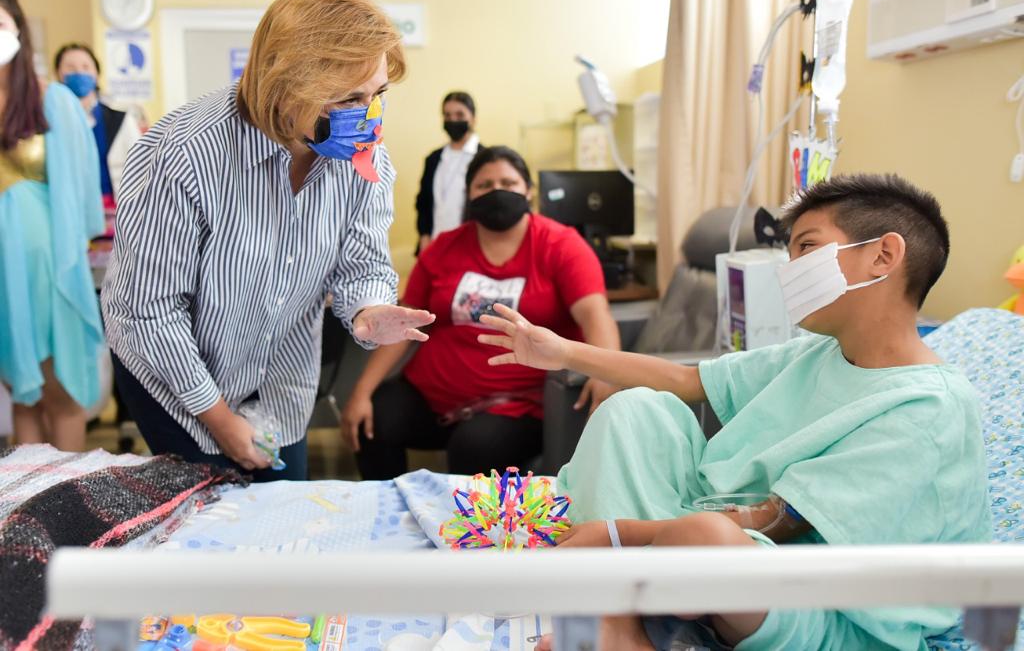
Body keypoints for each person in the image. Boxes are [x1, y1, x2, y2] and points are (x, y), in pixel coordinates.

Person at [479, 174, 991, 651]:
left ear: (883, 255)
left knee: (703, 538)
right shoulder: (815, 353)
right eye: (789, 255)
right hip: (722, 532)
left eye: (807, 248)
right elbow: (686, 380)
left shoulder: (928, 407)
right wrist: (563, 352)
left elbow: (777, 521)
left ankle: (619, 612)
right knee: (634, 411)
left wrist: (615, 532)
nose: (791, 272)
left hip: (827, 600)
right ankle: (625, 609)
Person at [101, 0, 433, 482]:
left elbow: (361, 263)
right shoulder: (182, 154)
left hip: (279, 370)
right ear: (286, 86)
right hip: (174, 368)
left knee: (281, 510)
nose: (370, 119)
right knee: (208, 521)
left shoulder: (365, 159)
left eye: (379, 94)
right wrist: (219, 418)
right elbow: (150, 310)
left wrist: (368, 309)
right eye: (348, 99)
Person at [343, 146, 620, 479]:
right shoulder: (444, 247)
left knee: (474, 447)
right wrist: (361, 393)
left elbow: (595, 314)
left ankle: (463, 531)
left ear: (528, 191)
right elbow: (403, 323)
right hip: (432, 397)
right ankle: (389, 518)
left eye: (508, 182)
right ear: (469, 194)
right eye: (484, 185)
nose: (497, 191)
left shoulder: (562, 245)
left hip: (518, 405)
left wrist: (606, 370)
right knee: (373, 421)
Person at [0, 0, 105, 451]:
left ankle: (69, 512)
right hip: (3, 274)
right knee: (20, 395)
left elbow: (82, 187)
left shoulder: (51, 99)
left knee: (58, 390)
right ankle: (28, 515)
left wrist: (78, 252)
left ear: (17, 32)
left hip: (44, 262)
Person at [54, 42, 143, 239]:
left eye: (86, 67)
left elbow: (143, 168)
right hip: (72, 213)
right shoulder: (50, 122)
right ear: (58, 74)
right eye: (70, 67)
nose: (79, 72)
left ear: (96, 73)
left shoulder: (121, 119)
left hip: (117, 214)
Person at [414, 91, 480, 253]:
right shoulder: (434, 158)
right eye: (447, 115)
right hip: (436, 243)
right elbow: (423, 202)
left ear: (473, 118)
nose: (453, 120)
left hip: (470, 246)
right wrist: (424, 235)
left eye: (459, 115)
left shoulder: (483, 159)